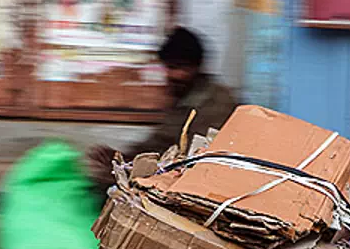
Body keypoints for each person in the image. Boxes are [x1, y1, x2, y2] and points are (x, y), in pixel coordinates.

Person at [85, 27, 238, 191]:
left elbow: (191, 160)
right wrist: (120, 159)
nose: (173, 74)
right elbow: (160, 143)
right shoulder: (184, 96)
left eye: (181, 67)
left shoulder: (216, 103)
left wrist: (130, 168)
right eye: (170, 67)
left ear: (197, 67)